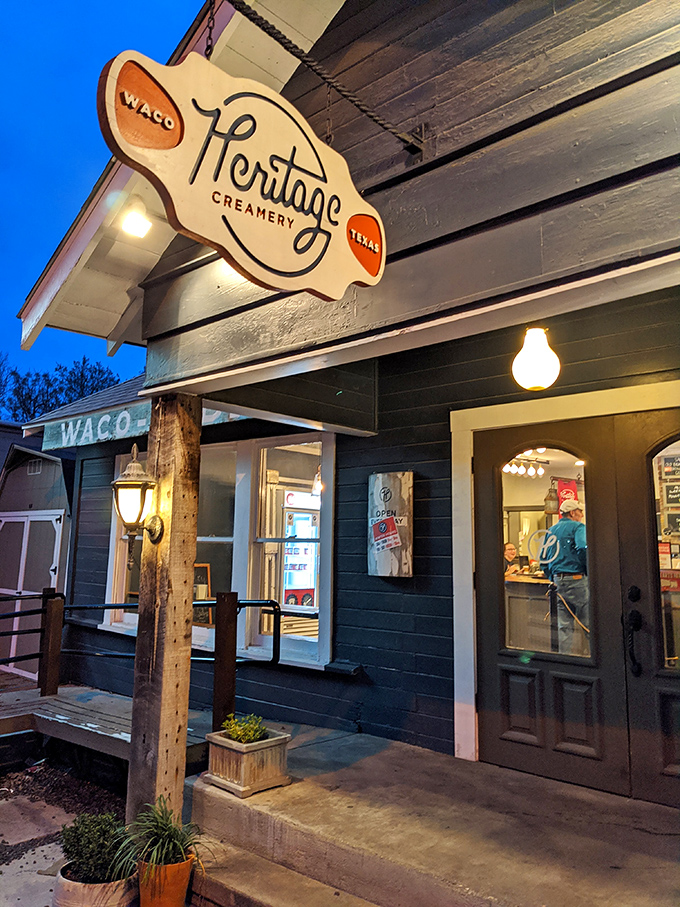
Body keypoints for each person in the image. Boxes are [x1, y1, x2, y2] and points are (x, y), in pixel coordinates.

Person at [540, 499, 589, 655]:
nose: (582, 515)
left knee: (564, 627)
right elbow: (583, 547)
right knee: (588, 625)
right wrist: (588, 571)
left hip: (558, 583)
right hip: (577, 580)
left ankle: (565, 662)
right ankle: (595, 661)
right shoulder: (578, 527)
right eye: (580, 512)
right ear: (573, 512)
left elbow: (543, 561)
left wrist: (553, 577)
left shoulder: (551, 530)